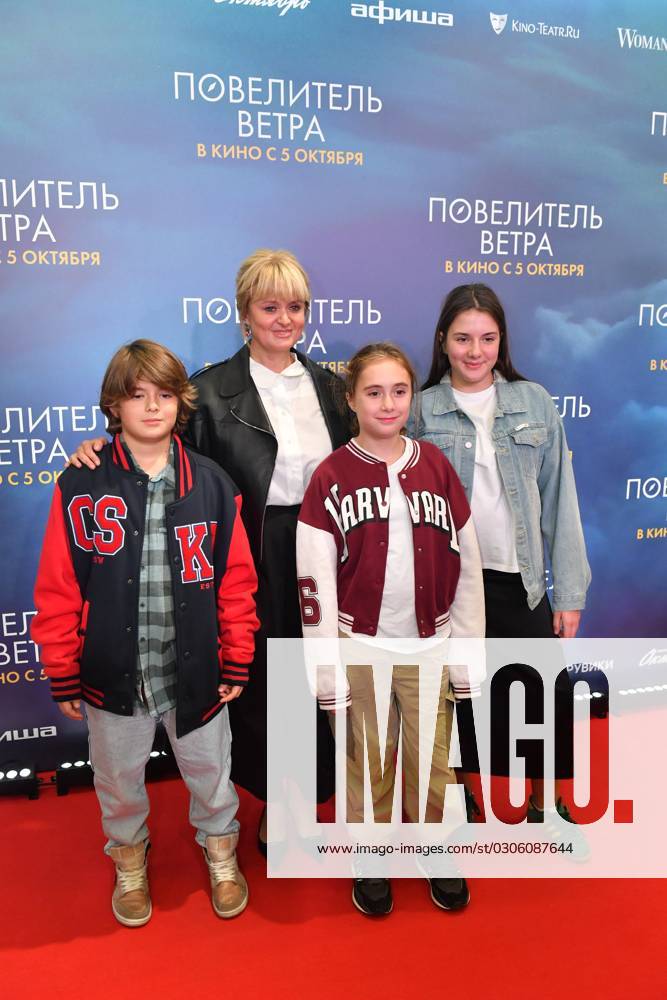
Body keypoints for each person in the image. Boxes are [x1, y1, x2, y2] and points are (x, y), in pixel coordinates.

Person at [68, 249, 351, 853]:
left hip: (327, 550)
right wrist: (101, 447)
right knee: (268, 682)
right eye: (270, 307)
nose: (284, 319)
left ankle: (325, 790)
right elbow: (159, 454)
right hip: (252, 548)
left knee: (321, 674)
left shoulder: (333, 387)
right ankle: (278, 803)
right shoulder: (208, 392)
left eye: (296, 307)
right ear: (244, 312)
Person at [33, 340, 259, 926]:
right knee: (118, 779)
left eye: (164, 395)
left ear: (181, 401)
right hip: (115, 669)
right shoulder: (81, 483)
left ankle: (220, 848)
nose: (152, 407)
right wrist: (63, 667)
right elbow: (59, 584)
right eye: (137, 396)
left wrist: (236, 654)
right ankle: (129, 857)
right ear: (114, 405)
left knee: (211, 772)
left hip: (195, 669)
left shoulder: (213, 484)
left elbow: (236, 580)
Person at [296, 342, 484, 916]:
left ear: (412, 397)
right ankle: (371, 854)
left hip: (430, 644)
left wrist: (467, 652)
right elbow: (313, 584)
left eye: (399, 391)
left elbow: (468, 567)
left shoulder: (437, 467)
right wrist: (325, 667)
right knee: (368, 757)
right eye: (373, 392)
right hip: (361, 644)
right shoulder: (330, 475)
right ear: (351, 399)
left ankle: (433, 845)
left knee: (433, 757)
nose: (387, 403)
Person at [416, 283, 591, 835]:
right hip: (452, 588)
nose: (475, 351)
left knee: (542, 699)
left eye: (487, 338)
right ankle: (464, 797)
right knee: (459, 699)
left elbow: (560, 499)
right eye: (463, 338)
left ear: (502, 341)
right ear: (443, 340)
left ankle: (546, 805)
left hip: (521, 582)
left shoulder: (533, 402)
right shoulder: (421, 409)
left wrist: (569, 593)